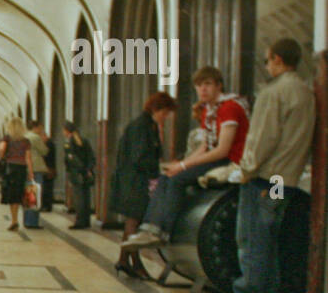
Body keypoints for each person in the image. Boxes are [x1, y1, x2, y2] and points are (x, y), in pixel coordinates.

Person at [215, 39, 314, 293]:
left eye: (268, 60)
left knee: (252, 237)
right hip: (286, 179)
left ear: (278, 59)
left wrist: (245, 171)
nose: (267, 65)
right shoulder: (306, 92)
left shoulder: (274, 93)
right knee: (270, 235)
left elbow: (262, 139)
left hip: (266, 177)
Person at [121, 67, 249, 250]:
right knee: (166, 177)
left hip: (231, 160)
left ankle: (163, 231)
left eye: (208, 84)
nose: (202, 89)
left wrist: (183, 165)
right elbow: (205, 146)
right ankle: (150, 229)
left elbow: (222, 150)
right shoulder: (209, 110)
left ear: (219, 86)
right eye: (199, 85)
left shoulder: (230, 108)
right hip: (215, 157)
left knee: (176, 180)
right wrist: (179, 164)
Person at [109, 91, 177, 279]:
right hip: (134, 181)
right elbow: (140, 156)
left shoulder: (146, 125)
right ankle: (135, 264)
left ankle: (124, 261)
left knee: (133, 221)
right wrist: (159, 168)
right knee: (134, 220)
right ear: (156, 109)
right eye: (165, 113)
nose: (166, 117)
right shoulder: (142, 126)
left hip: (134, 180)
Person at [0, 117, 34, 231]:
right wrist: (31, 172)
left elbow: (1, 149)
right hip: (21, 169)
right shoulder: (26, 141)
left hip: (10, 168)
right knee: (20, 194)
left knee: (12, 195)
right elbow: (28, 158)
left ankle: (14, 220)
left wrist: (2, 157)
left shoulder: (7, 138)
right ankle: (23, 219)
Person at [62, 121, 95, 229]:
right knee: (86, 197)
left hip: (76, 173)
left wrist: (76, 169)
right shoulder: (84, 140)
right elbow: (91, 157)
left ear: (67, 131)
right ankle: (86, 221)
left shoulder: (69, 143)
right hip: (86, 173)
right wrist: (88, 169)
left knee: (78, 198)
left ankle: (79, 222)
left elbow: (70, 159)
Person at [24, 121, 51, 212]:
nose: (41, 130)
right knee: (36, 193)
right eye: (40, 128)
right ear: (35, 127)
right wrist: (44, 141)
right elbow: (45, 151)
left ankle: (28, 218)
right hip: (35, 168)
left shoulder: (25, 136)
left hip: (26, 167)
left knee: (29, 193)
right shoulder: (35, 137)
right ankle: (33, 220)